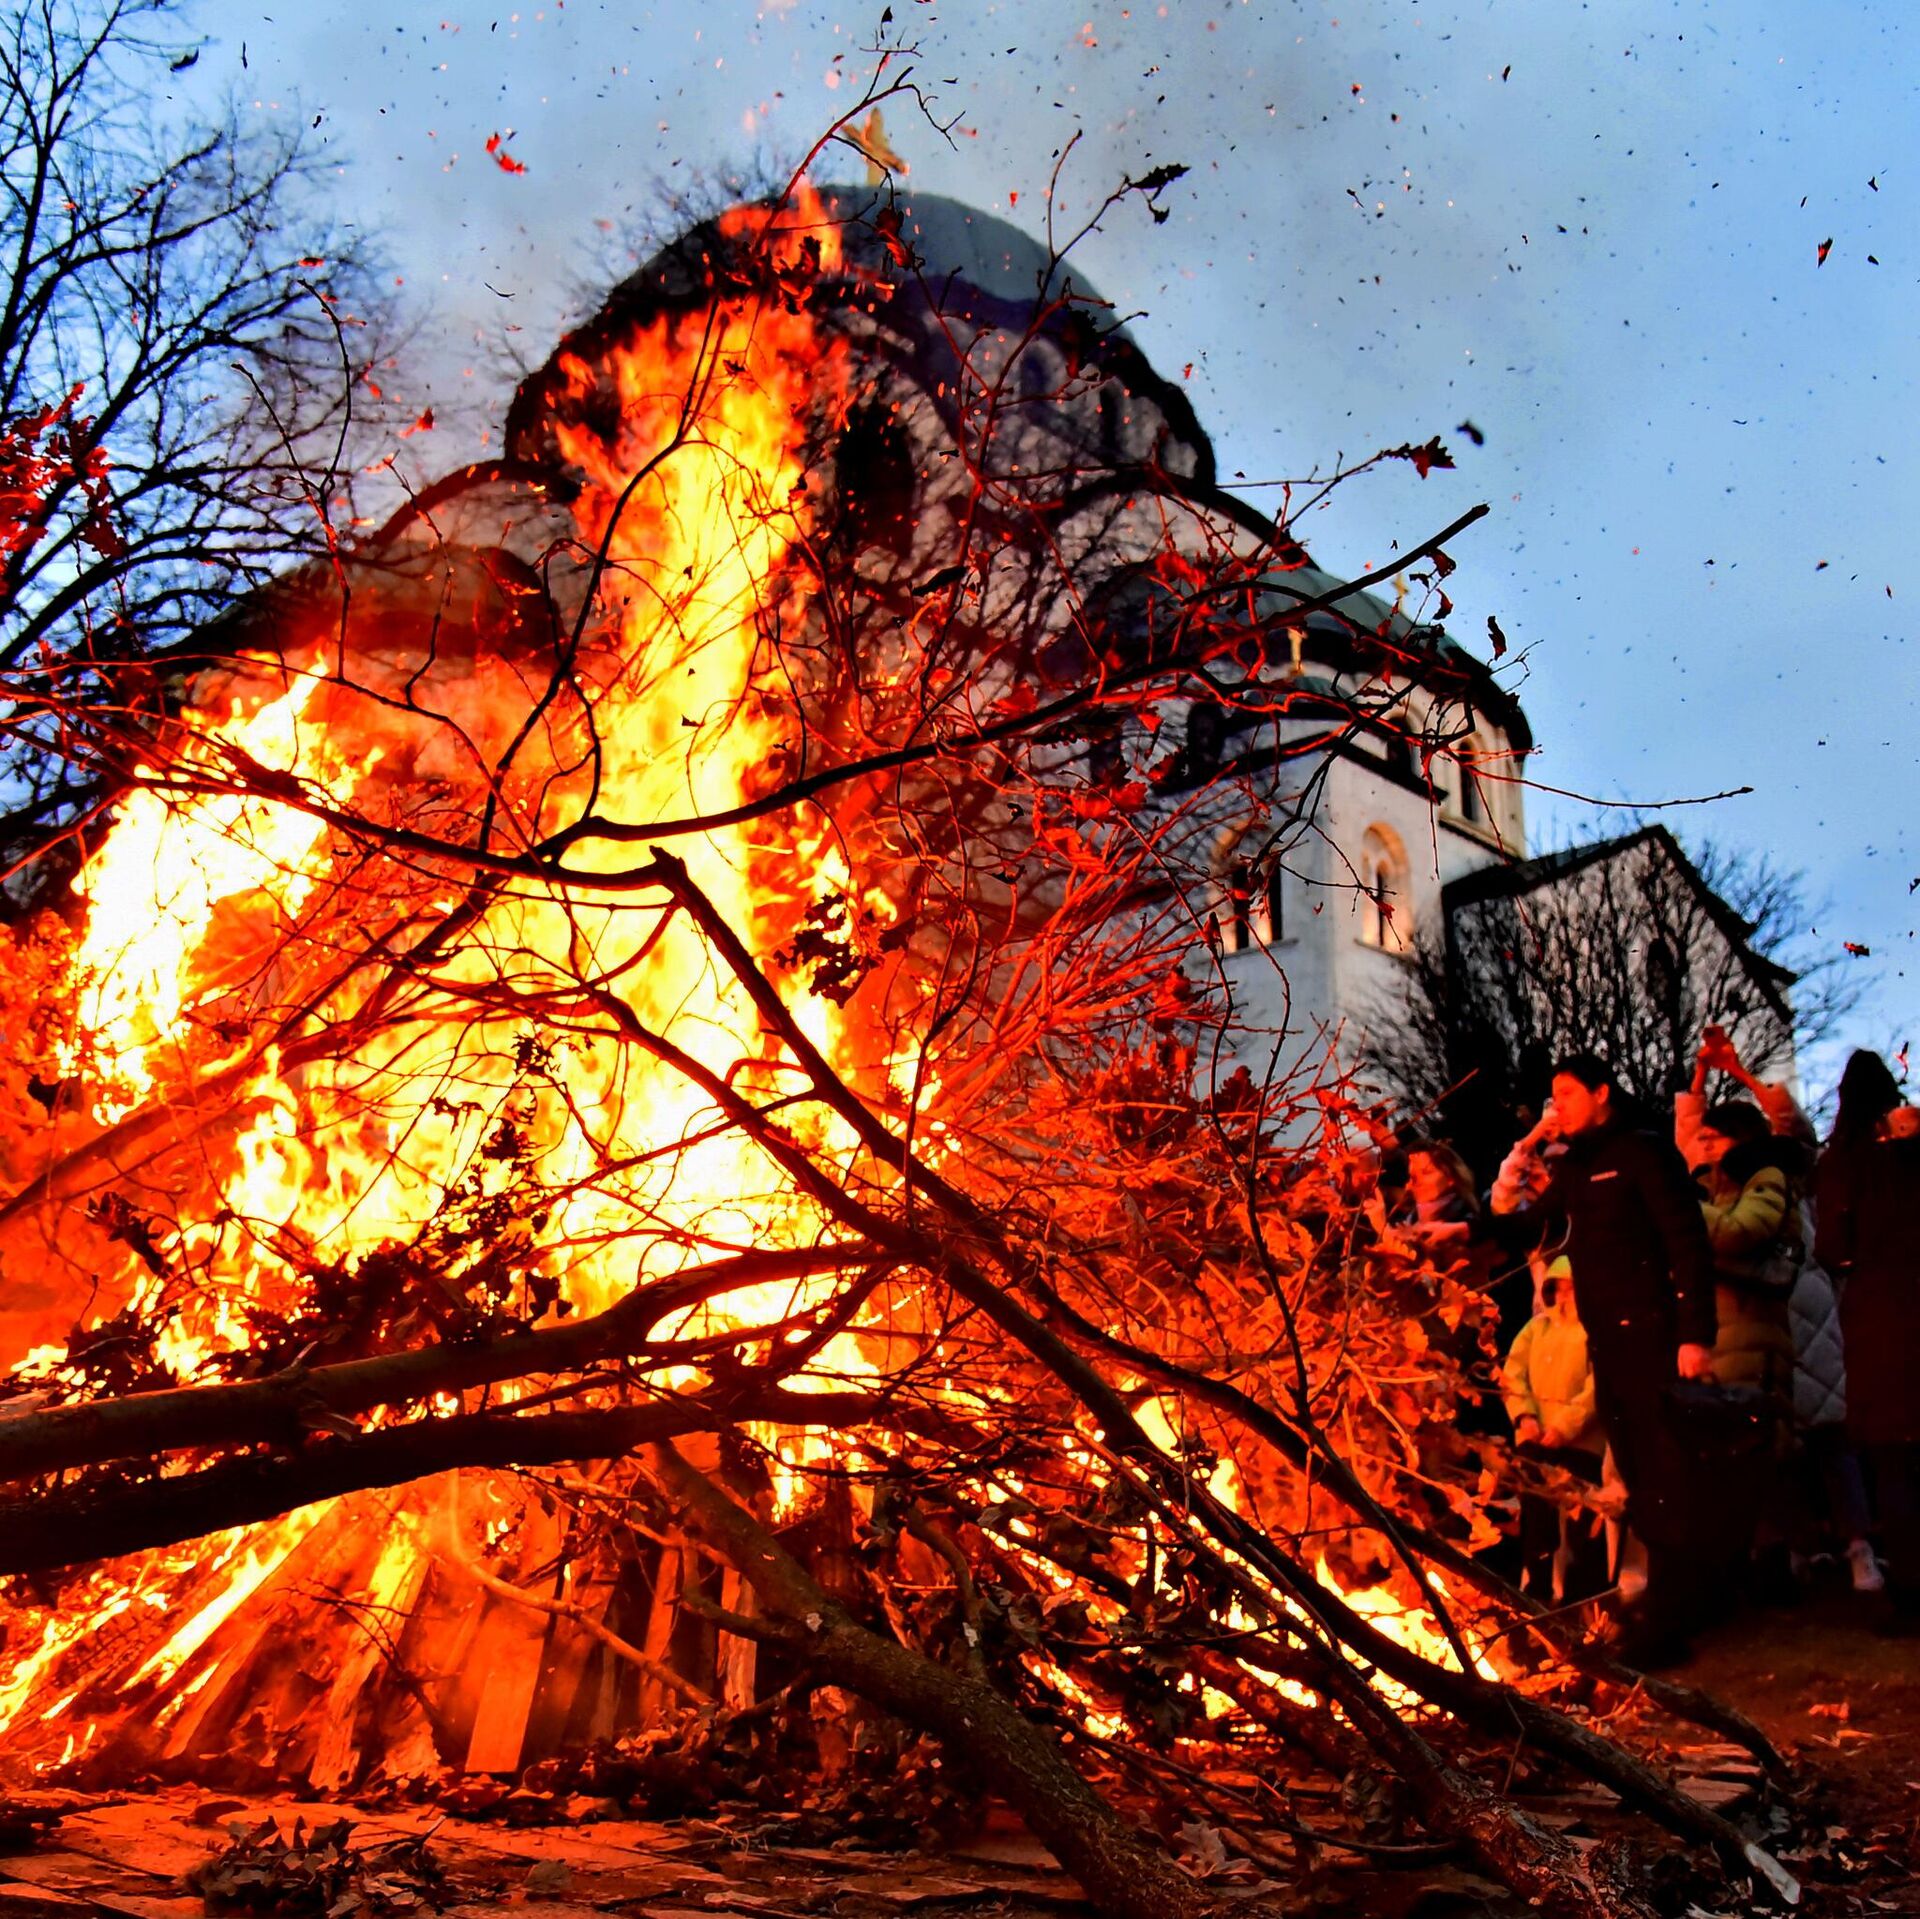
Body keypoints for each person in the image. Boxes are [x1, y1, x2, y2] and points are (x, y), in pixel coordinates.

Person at [1492, 1052, 1717, 1666]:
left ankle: (1675, 1615)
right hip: (1607, 1344)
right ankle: (1659, 1609)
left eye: (1566, 1093)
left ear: (1601, 1092)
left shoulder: (1642, 1152)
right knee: (1640, 1480)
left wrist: (1696, 1334)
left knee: (1666, 1472)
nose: (1556, 1104)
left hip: (1654, 1339)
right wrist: (1465, 1231)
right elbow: (1523, 1224)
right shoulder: (1576, 1165)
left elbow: (1686, 1240)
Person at [1681, 1028, 1881, 1594]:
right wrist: (1702, 1075)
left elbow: (1788, 1124)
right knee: (1777, 1447)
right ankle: (1801, 1550)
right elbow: (1689, 1137)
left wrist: (1738, 1069)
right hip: (1753, 1323)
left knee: (1828, 1436)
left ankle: (1858, 1548)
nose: (1710, 1147)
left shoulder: (1787, 1168)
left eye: (1722, 1140)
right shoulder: (1713, 1189)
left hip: (1806, 1310)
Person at [1815, 1050, 1920, 1632]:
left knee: (1894, 1460)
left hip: (1879, 1320)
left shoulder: (1843, 1163)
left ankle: (1908, 1586)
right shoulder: (1908, 1156)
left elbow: (1832, 1245)